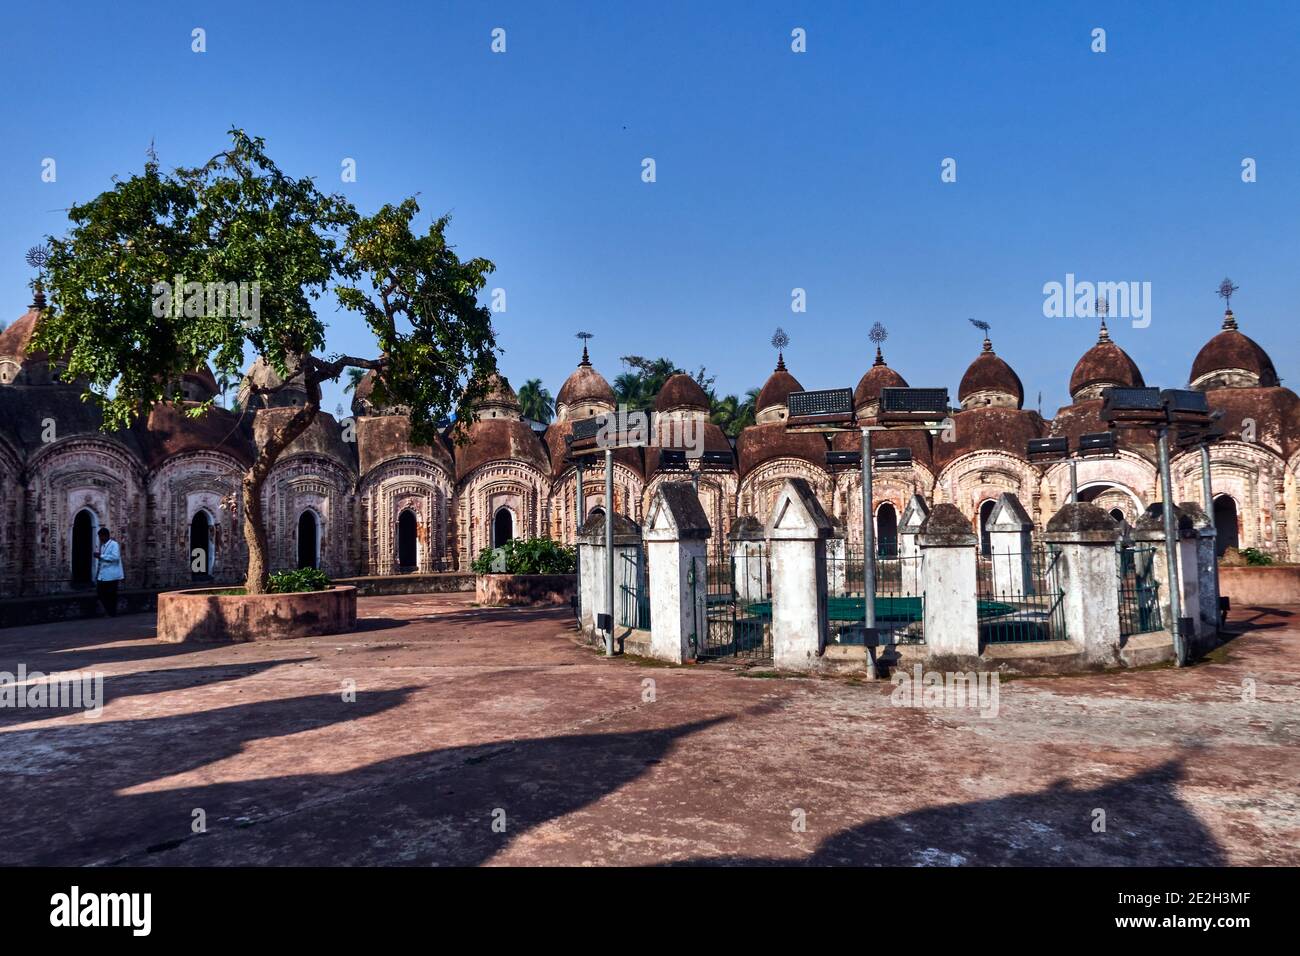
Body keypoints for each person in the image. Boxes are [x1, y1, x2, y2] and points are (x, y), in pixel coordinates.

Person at [93, 527, 123, 617]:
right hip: (104, 574)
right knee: (100, 593)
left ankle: (112, 612)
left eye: (101, 537)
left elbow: (115, 557)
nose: (100, 539)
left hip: (112, 575)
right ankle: (109, 610)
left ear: (105, 536)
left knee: (111, 595)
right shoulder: (103, 546)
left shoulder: (114, 544)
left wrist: (101, 556)